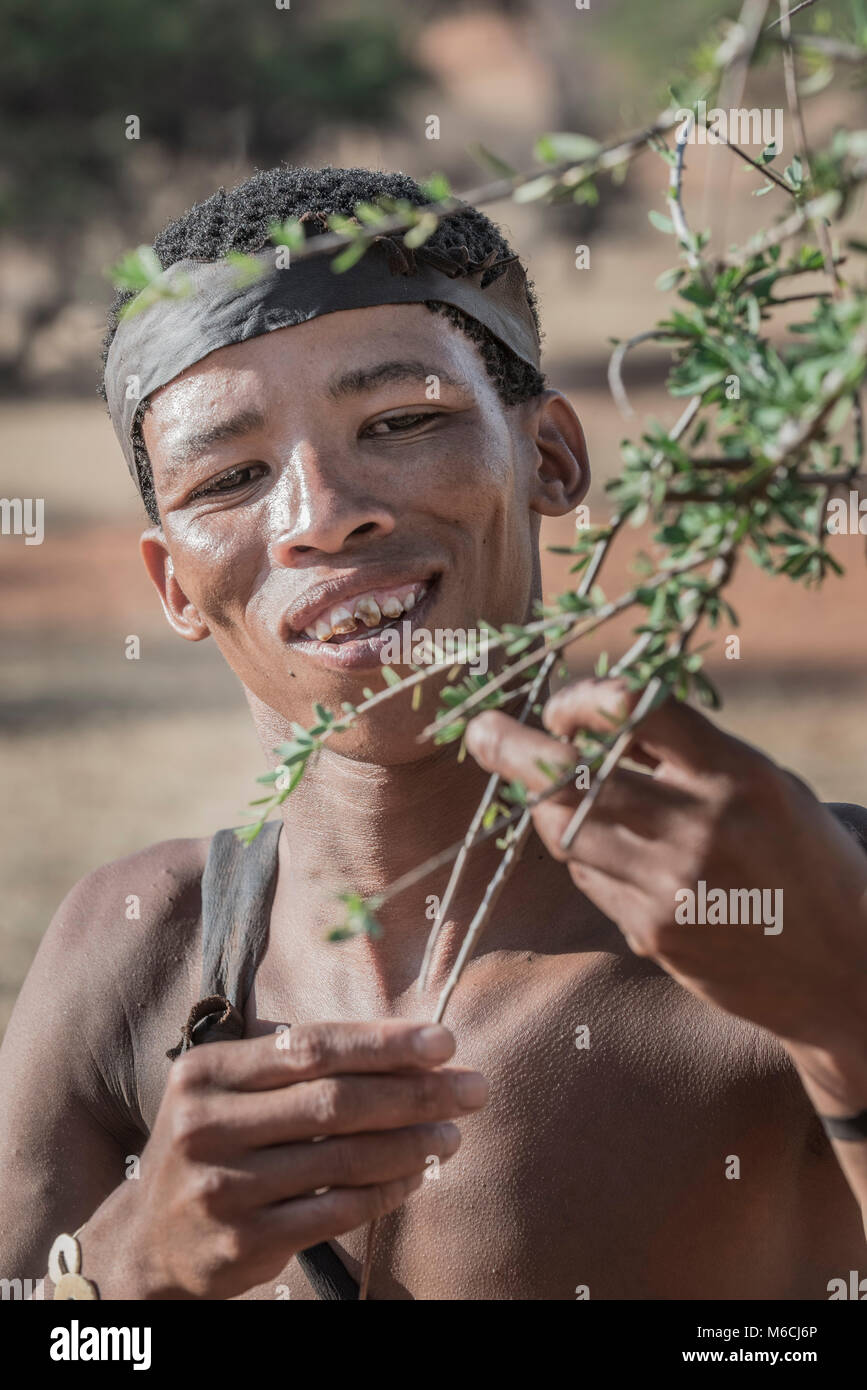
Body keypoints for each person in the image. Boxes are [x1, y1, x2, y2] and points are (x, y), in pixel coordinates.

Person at [1, 165, 865, 1301]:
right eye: (232, 475)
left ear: (550, 457)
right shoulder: (137, 955)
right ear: (172, 583)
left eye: (403, 420)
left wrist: (843, 1014)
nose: (321, 515)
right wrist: (124, 1270)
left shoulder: (798, 899)